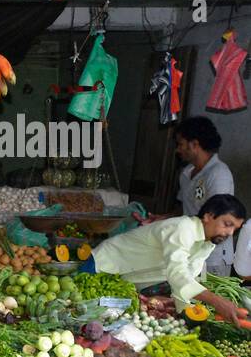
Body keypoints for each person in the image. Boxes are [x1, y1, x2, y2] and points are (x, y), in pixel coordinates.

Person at [89, 194, 246, 322]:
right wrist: (217, 301)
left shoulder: (207, 244)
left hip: (122, 282)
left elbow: (186, 279)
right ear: (208, 216)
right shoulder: (183, 228)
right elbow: (177, 273)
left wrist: (185, 315)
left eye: (235, 229)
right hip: (102, 265)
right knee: (80, 310)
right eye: (227, 224)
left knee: (101, 319)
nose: (230, 233)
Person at [173, 117, 236, 275]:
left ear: (194, 144)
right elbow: (184, 210)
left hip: (212, 257)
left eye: (180, 144)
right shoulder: (187, 173)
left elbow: (220, 219)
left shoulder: (218, 174)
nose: (177, 150)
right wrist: (162, 219)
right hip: (190, 250)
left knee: (207, 299)